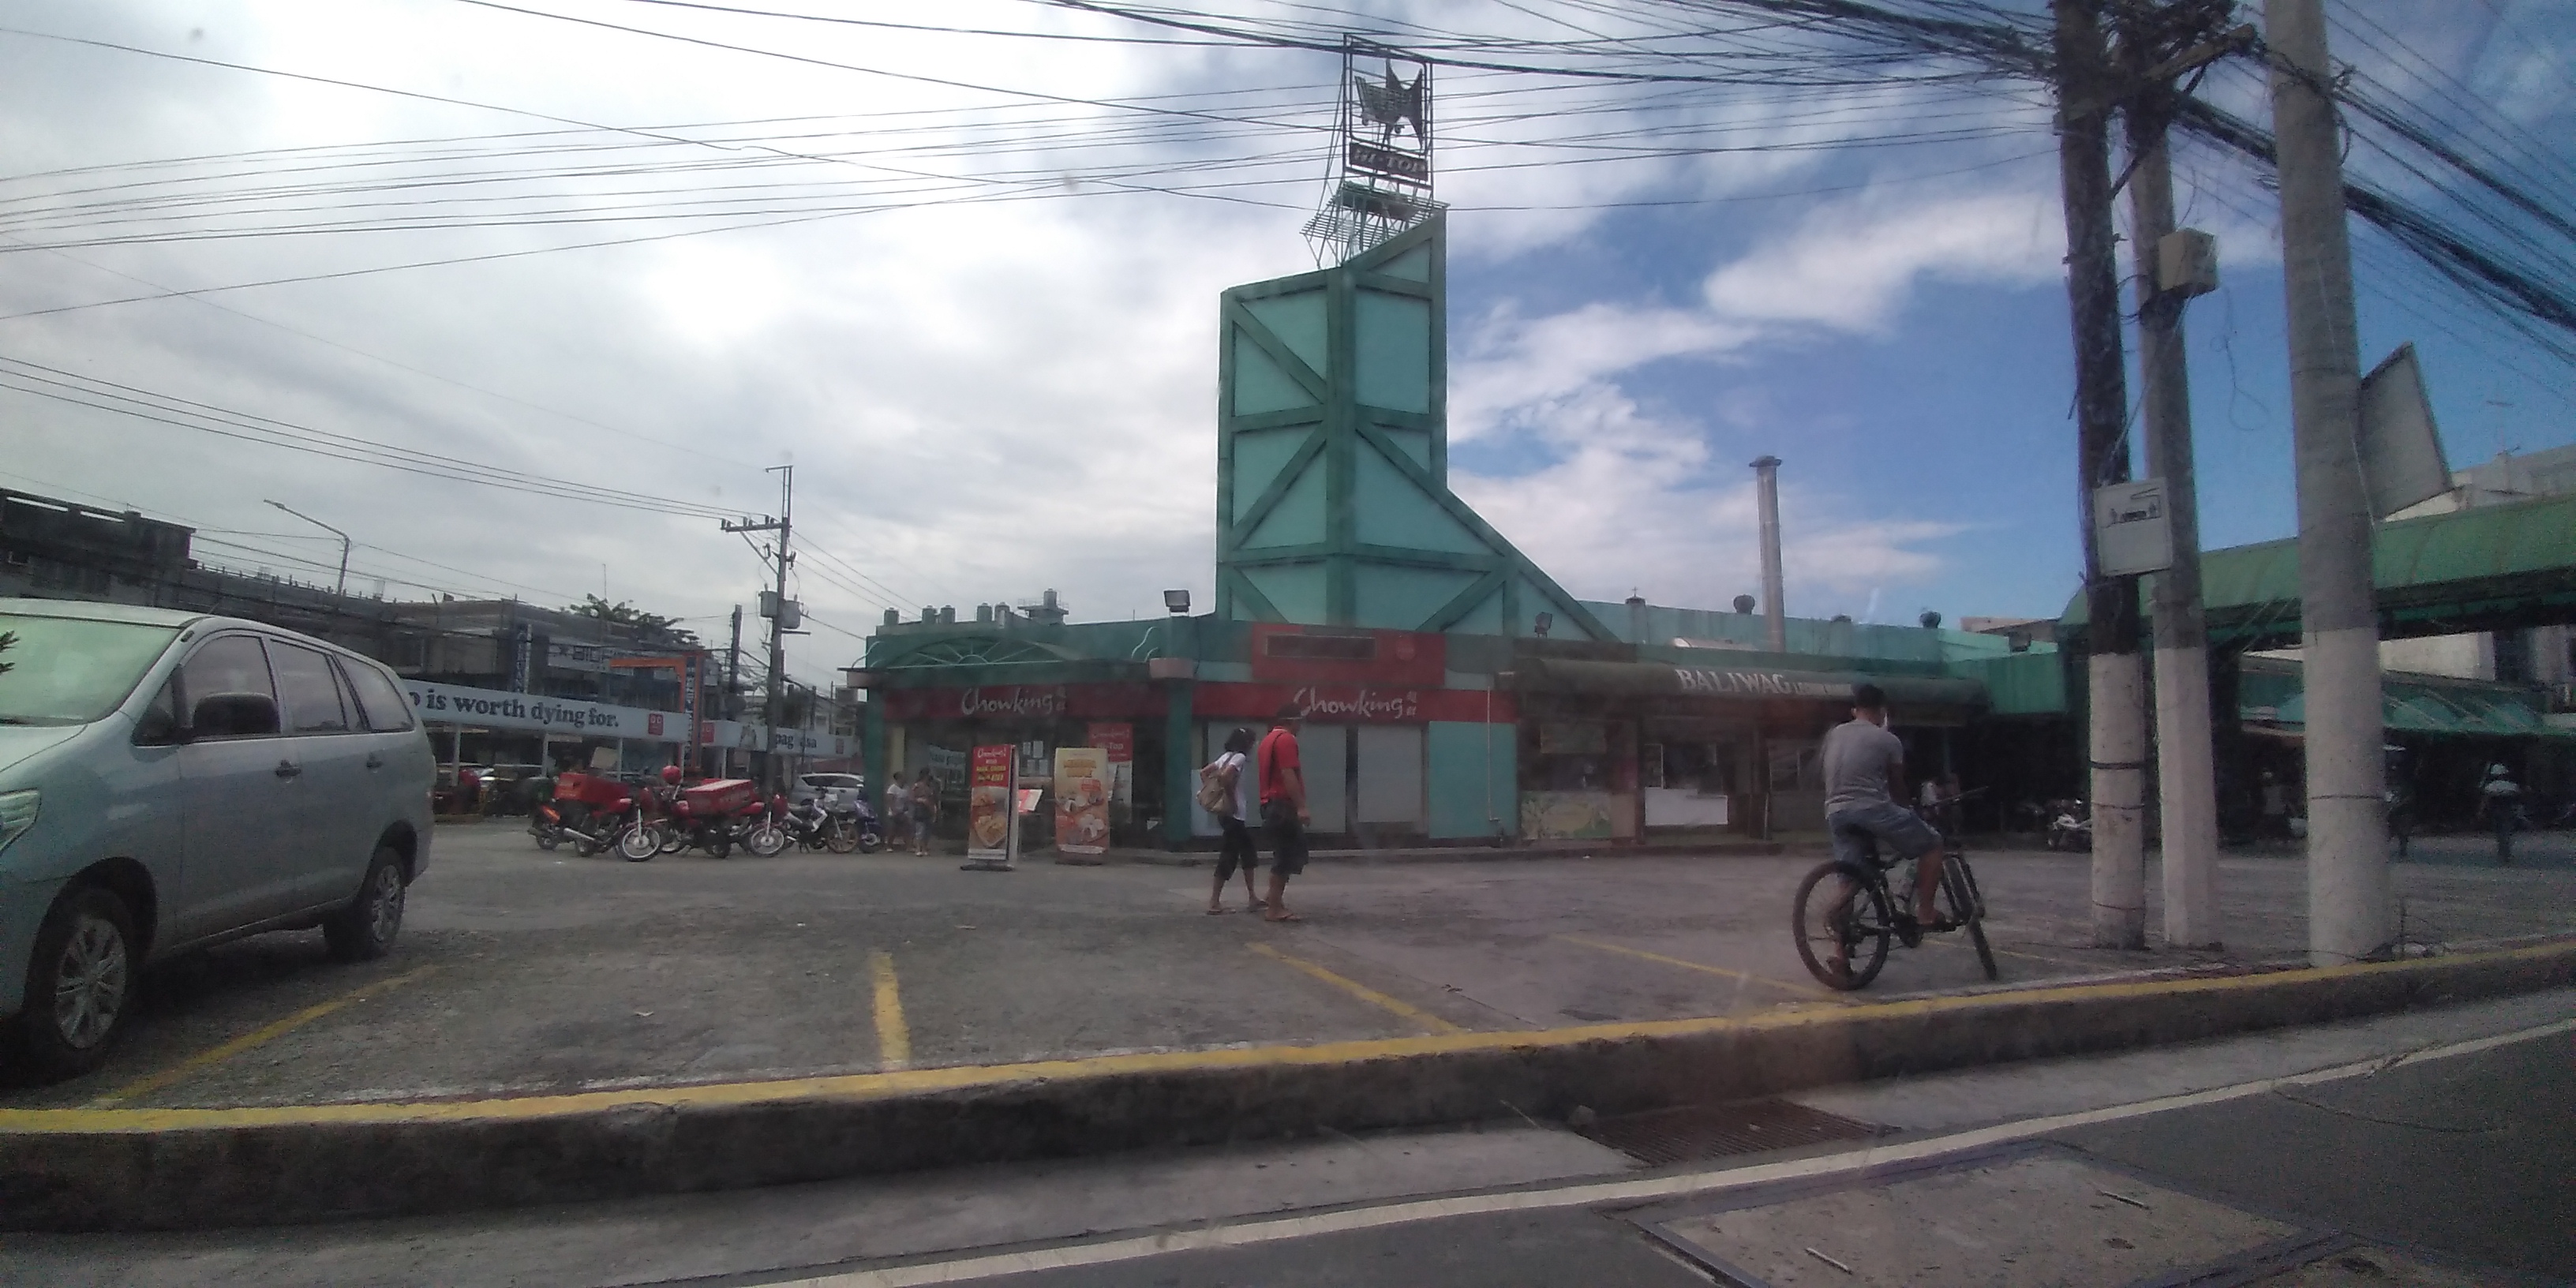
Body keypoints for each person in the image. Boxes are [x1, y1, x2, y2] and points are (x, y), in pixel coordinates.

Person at [1822, 683, 1945, 968]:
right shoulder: (1887, 740)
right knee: (1933, 843)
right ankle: (1925, 911)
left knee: (1850, 879)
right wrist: (1911, 811)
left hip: (1835, 812)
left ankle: (1840, 952)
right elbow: (1897, 788)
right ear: (1881, 710)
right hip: (1870, 808)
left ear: (1855, 709)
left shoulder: (1834, 735)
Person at [1256, 703, 1310, 923]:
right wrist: (1301, 807)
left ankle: (1273, 898)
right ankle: (1274, 908)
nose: (1301, 726)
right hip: (1282, 805)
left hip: (1270, 804)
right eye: (1299, 722)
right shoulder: (1287, 740)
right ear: (1292, 721)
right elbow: (1289, 775)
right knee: (1286, 855)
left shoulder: (1267, 740)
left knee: (1289, 852)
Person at [1202, 727, 1263, 914]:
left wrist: (1211, 789)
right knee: (1229, 856)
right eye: (1253, 741)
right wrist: (1231, 801)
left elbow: (1204, 772)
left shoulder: (1225, 756)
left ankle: (1252, 897)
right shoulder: (1239, 758)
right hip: (1234, 815)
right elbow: (1225, 777)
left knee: (1248, 853)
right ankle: (1214, 901)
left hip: (1229, 816)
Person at [2476, 763, 2522, 866]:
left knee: (2499, 832)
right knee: (2507, 832)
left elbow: (2485, 801)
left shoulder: (2490, 787)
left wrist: (2481, 812)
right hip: (2509, 812)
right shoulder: (2512, 786)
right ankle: (2506, 851)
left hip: (2495, 812)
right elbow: (2518, 801)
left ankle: (2502, 850)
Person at [883, 771, 914, 856]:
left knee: (906, 830)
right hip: (894, 813)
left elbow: (907, 799)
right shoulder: (893, 788)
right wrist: (894, 811)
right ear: (898, 779)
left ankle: (908, 846)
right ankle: (889, 846)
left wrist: (906, 808)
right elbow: (890, 800)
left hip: (903, 812)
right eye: (902, 777)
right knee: (893, 830)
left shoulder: (906, 788)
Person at [909, 771, 940, 856]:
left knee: (927, 831)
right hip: (920, 810)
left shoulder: (930, 787)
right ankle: (918, 848)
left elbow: (934, 799)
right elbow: (911, 798)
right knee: (920, 830)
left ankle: (924, 847)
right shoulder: (917, 786)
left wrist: (934, 809)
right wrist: (920, 800)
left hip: (929, 809)